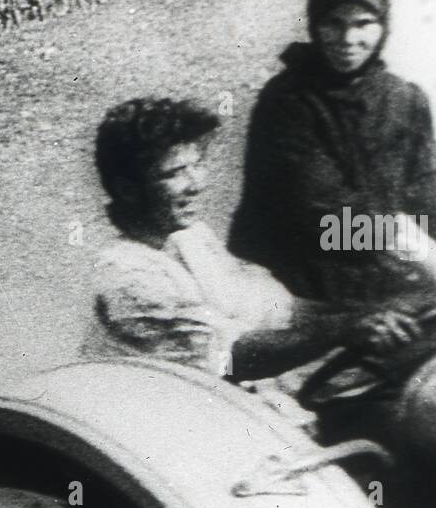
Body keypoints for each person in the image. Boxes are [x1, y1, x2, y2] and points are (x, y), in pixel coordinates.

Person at [228, 0, 436, 311]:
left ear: (383, 26)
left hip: (373, 272)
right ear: (315, 23)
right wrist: (412, 249)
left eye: (363, 24)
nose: (348, 39)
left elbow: (432, 194)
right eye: (334, 24)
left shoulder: (403, 98)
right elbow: (319, 213)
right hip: (293, 282)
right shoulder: (287, 101)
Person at [82, 97, 417, 380]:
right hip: (171, 430)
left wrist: (374, 312)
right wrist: (346, 330)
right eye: (174, 173)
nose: (196, 183)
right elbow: (230, 358)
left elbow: (278, 310)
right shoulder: (127, 275)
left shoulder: (191, 237)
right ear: (128, 190)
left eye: (197, 165)